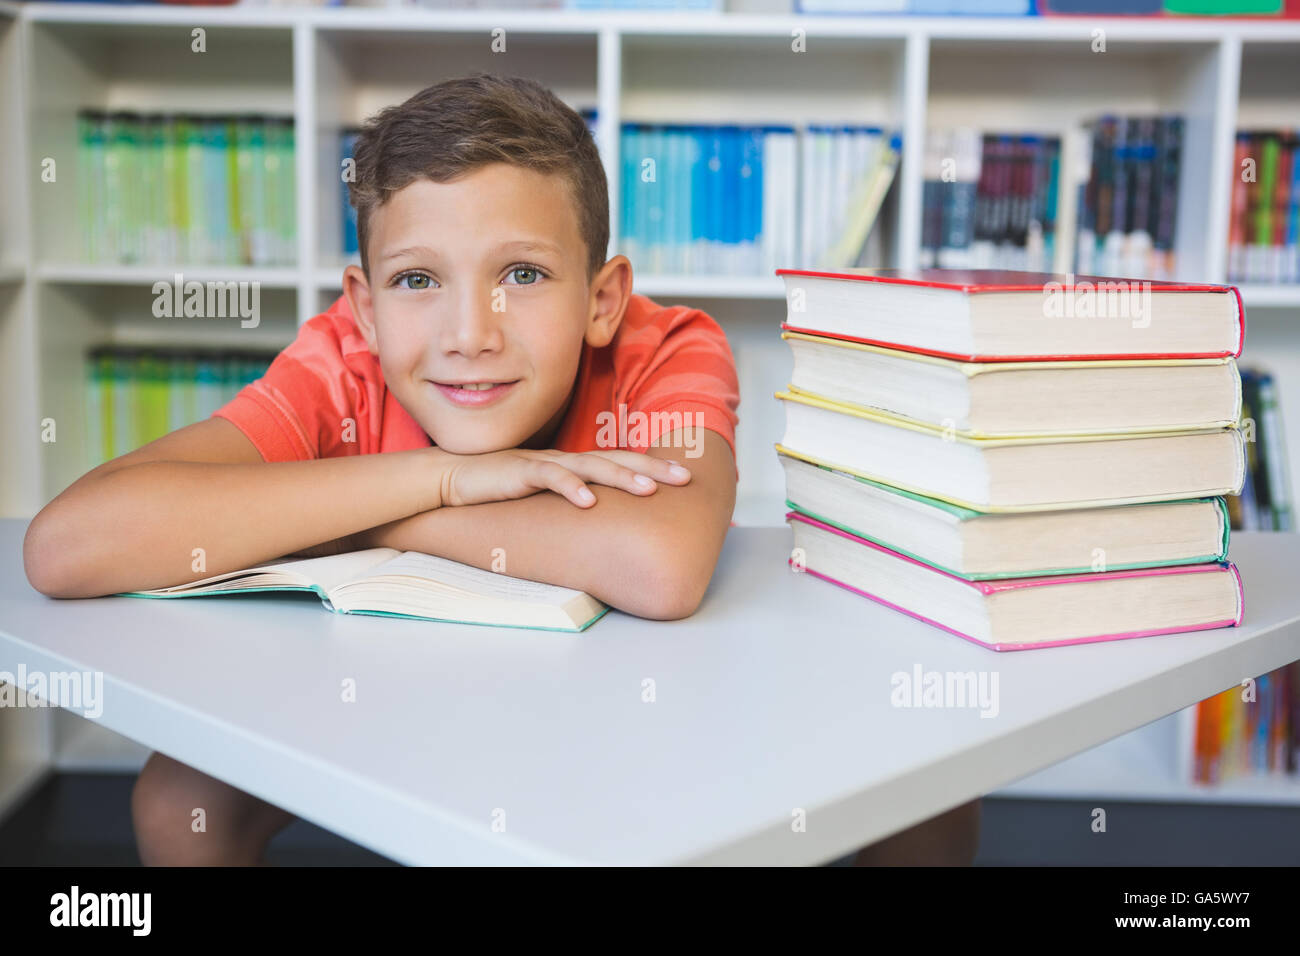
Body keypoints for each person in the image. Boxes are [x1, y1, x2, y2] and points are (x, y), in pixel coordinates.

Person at [23, 72, 978, 867]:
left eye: (522, 274)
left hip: (635, 712)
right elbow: (69, 546)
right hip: (398, 689)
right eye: (417, 280)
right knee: (177, 798)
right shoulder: (342, 363)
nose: (468, 336)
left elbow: (660, 565)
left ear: (602, 298)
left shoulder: (665, 348)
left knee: (927, 792)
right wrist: (436, 480)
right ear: (361, 305)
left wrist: (349, 512)